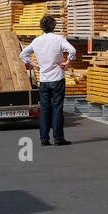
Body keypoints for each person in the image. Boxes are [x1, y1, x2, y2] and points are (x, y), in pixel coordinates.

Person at [19, 15, 76, 146]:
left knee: (44, 109)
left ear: (41, 27)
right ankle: (58, 138)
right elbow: (72, 50)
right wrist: (67, 62)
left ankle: (44, 138)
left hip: (44, 79)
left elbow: (22, 55)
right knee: (57, 108)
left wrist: (34, 64)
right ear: (54, 26)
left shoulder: (37, 41)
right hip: (57, 78)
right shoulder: (59, 39)